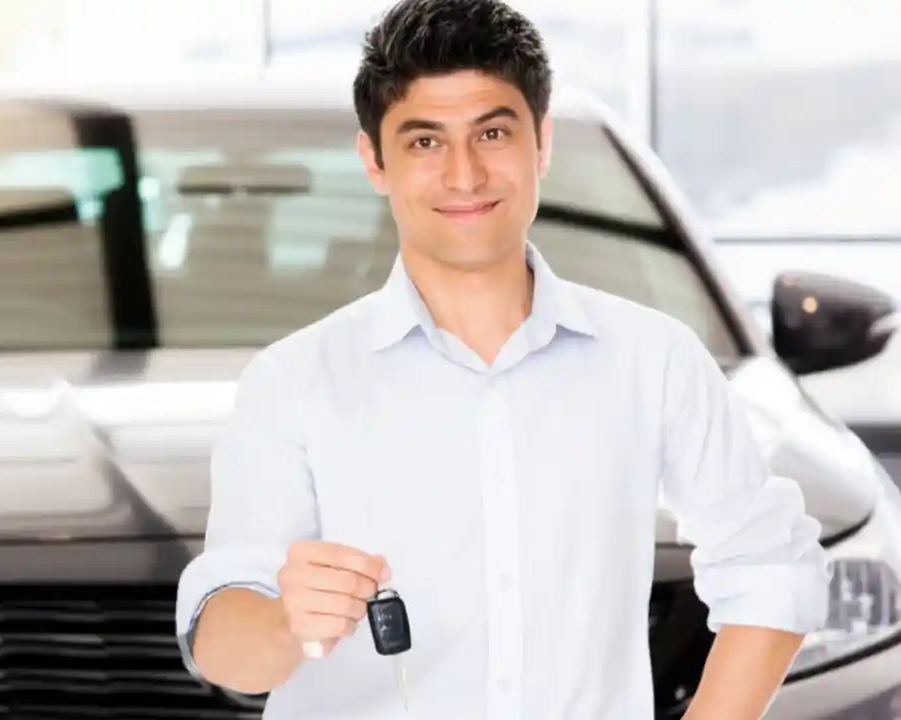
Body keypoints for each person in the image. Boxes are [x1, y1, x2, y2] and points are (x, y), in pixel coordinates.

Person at [175, 0, 831, 717]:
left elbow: (771, 564)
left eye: (492, 132)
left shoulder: (656, 360)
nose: (465, 174)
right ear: (374, 161)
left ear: (540, 144)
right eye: (425, 142)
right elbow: (221, 641)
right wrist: (282, 623)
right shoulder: (293, 383)